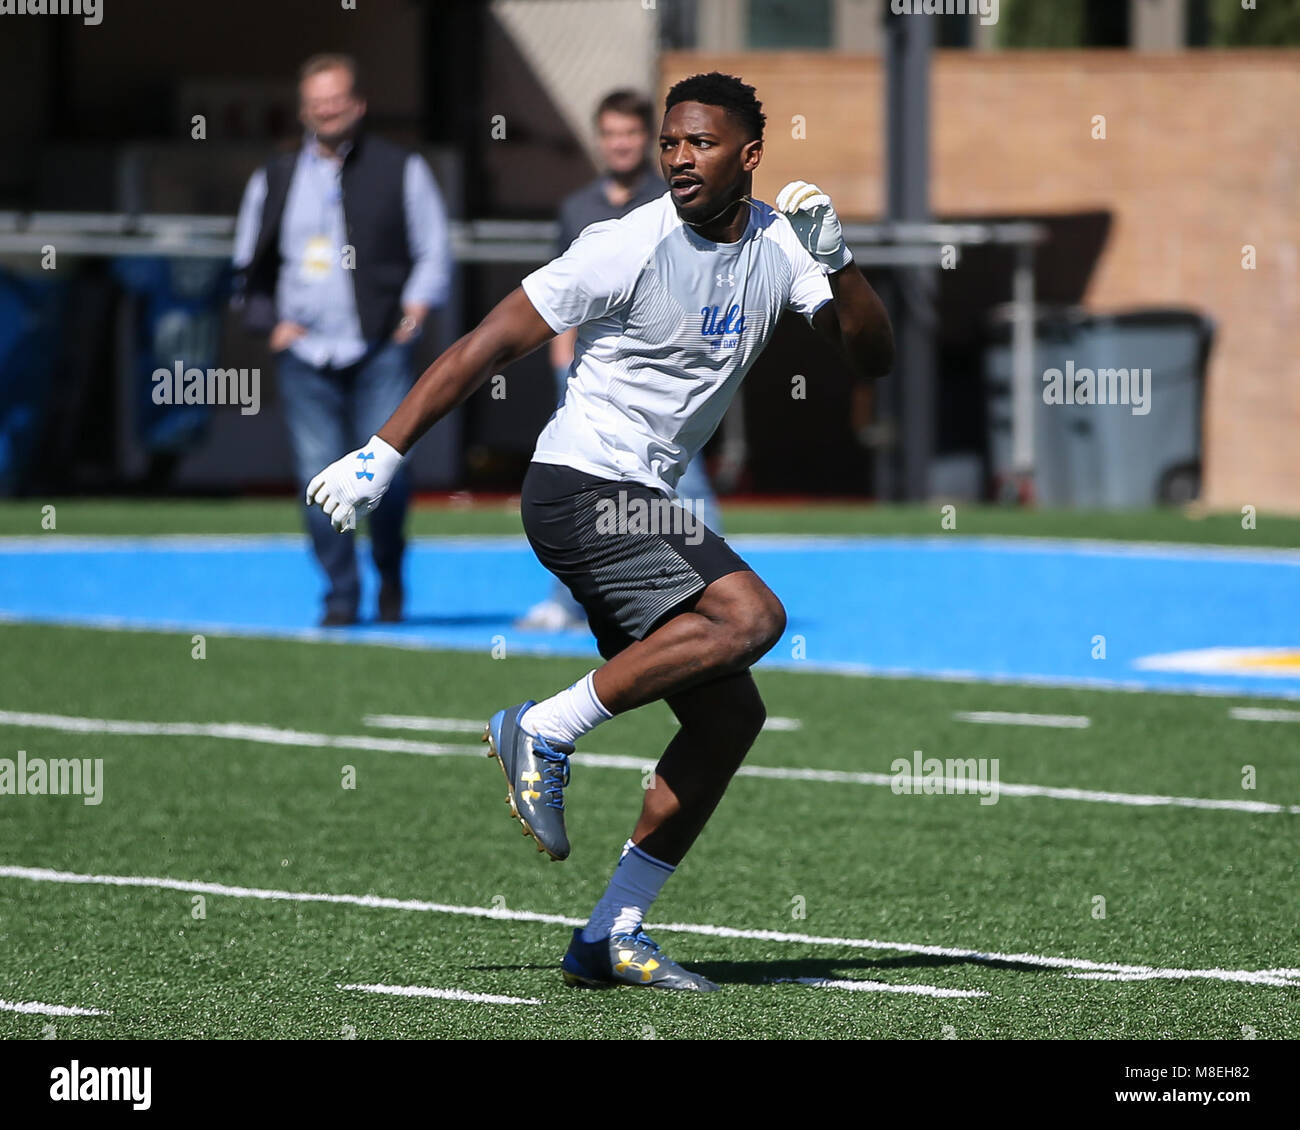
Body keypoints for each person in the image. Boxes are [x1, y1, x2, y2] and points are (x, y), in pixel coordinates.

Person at [304, 73, 893, 990]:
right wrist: (382, 454)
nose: (678, 159)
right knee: (752, 618)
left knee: (729, 716)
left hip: (639, 496)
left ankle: (609, 933)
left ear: (749, 155)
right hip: (581, 484)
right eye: (668, 144)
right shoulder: (627, 242)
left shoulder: (786, 242)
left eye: (698, 144)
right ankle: (542, 728)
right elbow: (487, 343)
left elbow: (874, 357)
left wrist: (842, 260)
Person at [233, 52, 451, 626]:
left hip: (379, 350)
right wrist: (269, 324)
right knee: (318, 478)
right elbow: (246, 263)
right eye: (316, 101)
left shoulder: (401, 167)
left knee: (382, 477)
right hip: (305, 356)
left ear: (357, 103)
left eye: (337, 99)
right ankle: (340, 594)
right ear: (303, 110)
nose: (327, 110)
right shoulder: (274, 176)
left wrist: (411, 318)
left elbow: (434, 251)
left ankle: (390, 572)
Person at [518, 89, 722, 632]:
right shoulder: (577, 208)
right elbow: (559, 296)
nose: (621, 144)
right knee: (580, 487)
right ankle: (568, 603)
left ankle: (713, 591)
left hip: (663, 378)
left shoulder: (679, 198)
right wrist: (562, 365)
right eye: (611, 134)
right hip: (592, 375)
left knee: (686, 488)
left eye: (631, 134)